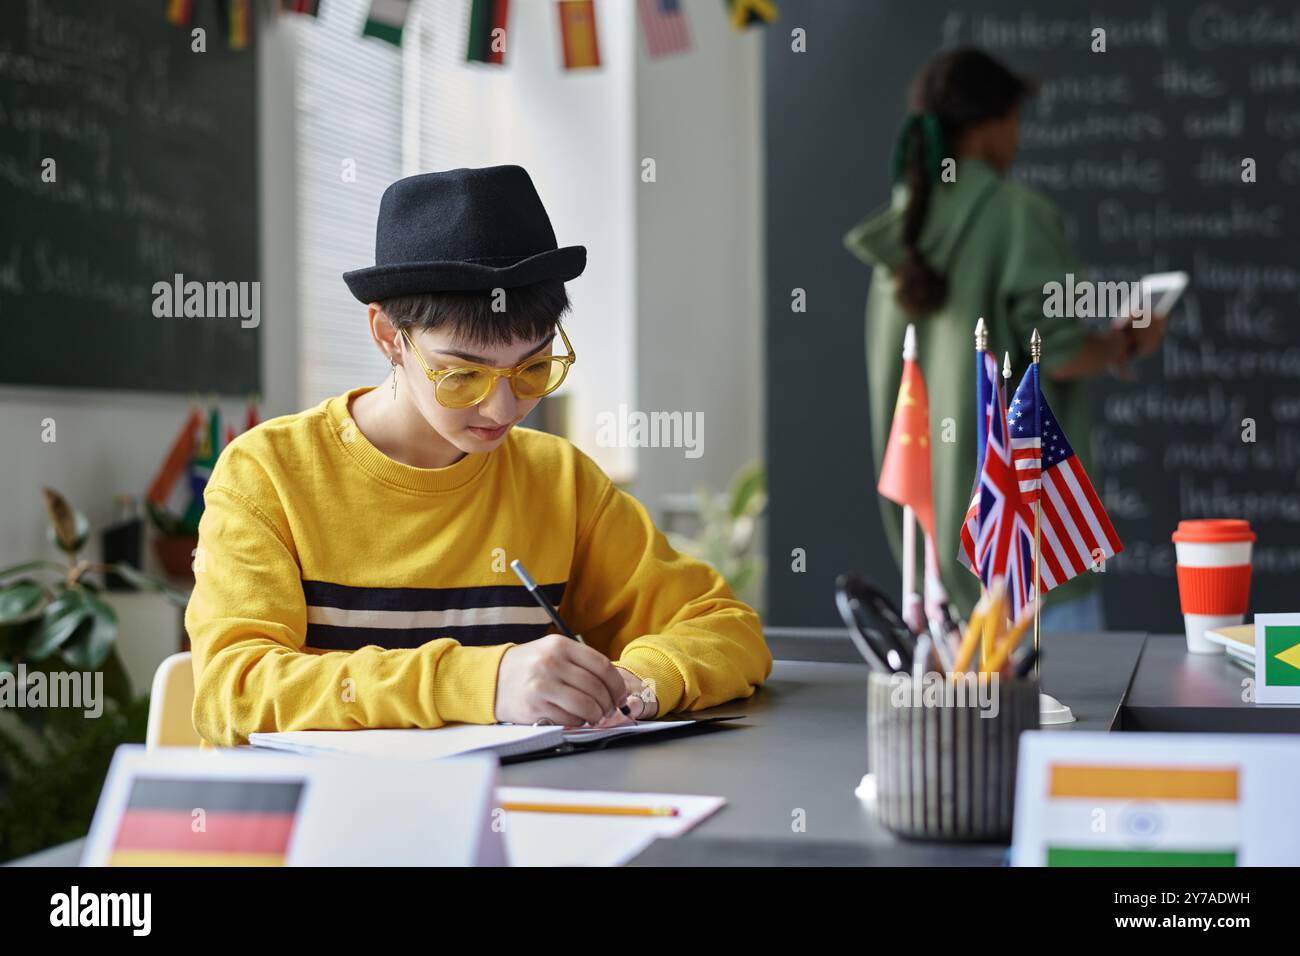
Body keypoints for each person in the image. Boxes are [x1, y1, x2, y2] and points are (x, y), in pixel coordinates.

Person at [186, 165, 771, 746]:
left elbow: (724, 627)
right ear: (389, 336)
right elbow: (232, 692)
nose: (502, 407)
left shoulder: (559, 482)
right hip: (329, 803)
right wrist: (480, 684)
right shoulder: (268, 473)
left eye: (534, 368)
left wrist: (636, 684)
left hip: (524, 800)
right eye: (463, 374)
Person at [844, 48, 1165, 631]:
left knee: (959, 696)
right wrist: (1129, 341)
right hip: (1027, 551)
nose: (1017, 139)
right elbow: (1061, 353)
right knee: (1061, 693)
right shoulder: (1017, 216)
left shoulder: (901, 235)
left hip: (933, 564)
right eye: (1015, 121)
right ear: (987, 125)